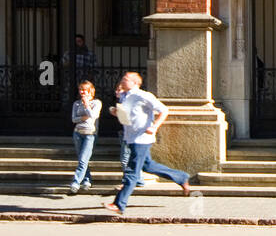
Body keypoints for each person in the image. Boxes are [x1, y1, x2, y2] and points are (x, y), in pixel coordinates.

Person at [104, 72, 190, 215]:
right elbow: (129, 115)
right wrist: (115, 112)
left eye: (125, 80)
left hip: (142, 138)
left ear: (135, 83)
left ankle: (119, 204)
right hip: (131, 137)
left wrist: (155, 126)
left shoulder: (144, 96)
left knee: (132, 171)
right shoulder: (124, 97)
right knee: (148, 165)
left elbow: (164, 110)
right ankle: (181, 177)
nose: (122, 81)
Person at [109, 77, 144, 189]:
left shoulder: (129, 102)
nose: (117, 92)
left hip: (129, 134)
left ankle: (128, 181)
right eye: (117, 90)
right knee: (132, 158)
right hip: (123, 132)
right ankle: (138, 179)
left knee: (125, 159)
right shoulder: (119, 103)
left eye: (119, 90)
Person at [69, 81, 101, 194]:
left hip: (90, 134)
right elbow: (74, 119)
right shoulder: (76, 104)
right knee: (83, 159)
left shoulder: (96, 103)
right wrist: (83, 118)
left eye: (84, 90)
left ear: (91, 91)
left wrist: (87, 105)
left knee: (83, 159)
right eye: (80, 89)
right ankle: (87, 180)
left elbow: (93, 116)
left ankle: (76, 182)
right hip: (77, 133)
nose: (82, 92)